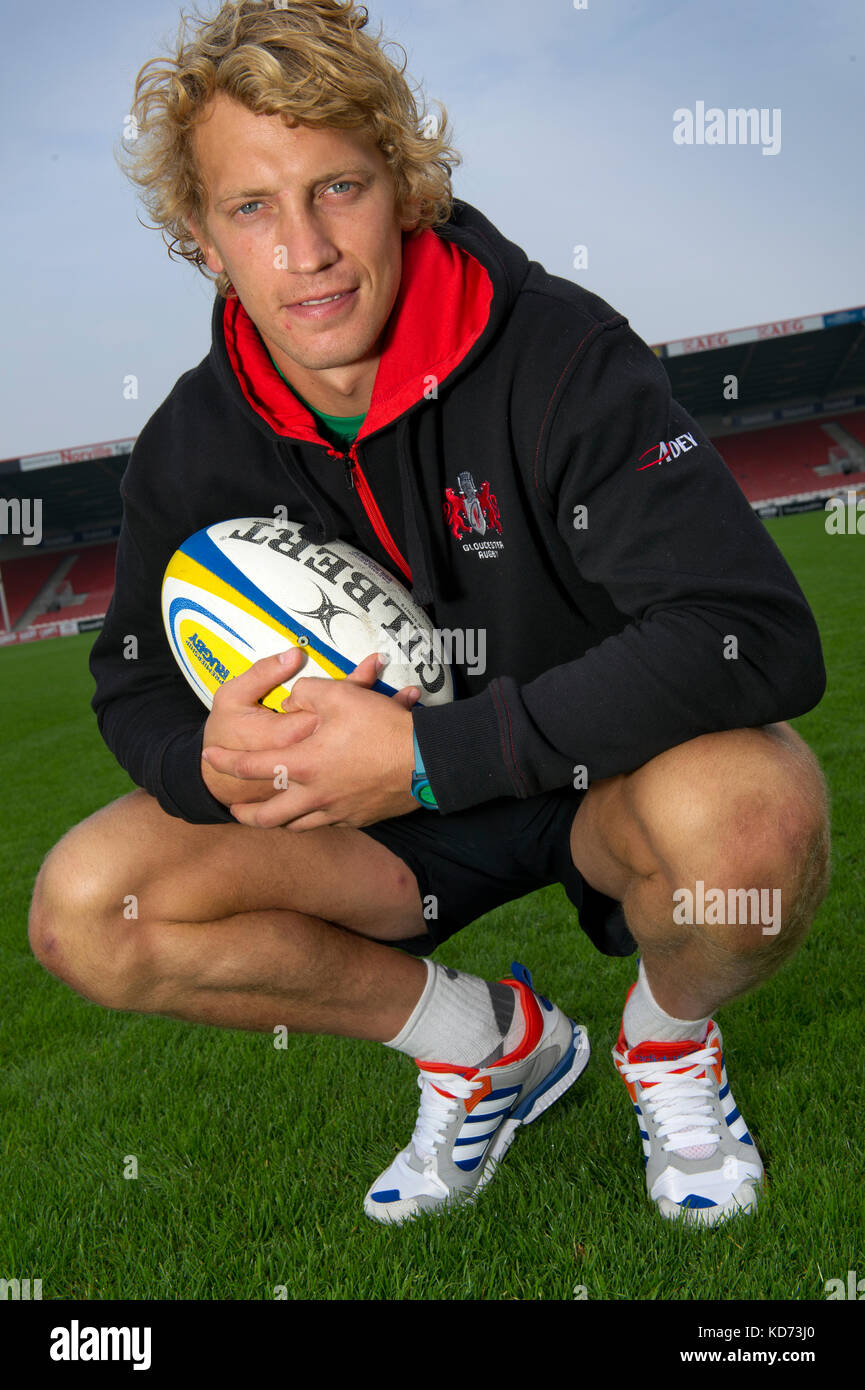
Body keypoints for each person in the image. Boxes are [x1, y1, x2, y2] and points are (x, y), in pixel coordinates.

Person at [28, 0, 830, 1227]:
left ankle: (665, 1042)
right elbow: (132, 685)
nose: (305, 249)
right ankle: (488, 1045)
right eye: (251, 207)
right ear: (200, 236)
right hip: (375, 839)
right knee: (93, 909)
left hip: (597, 779)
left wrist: (426, 753)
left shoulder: (557, 352)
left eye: (336, 188)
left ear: (401, 186)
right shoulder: (188, 447)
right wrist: (207, 757)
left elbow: (751, 630)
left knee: (757, 830)